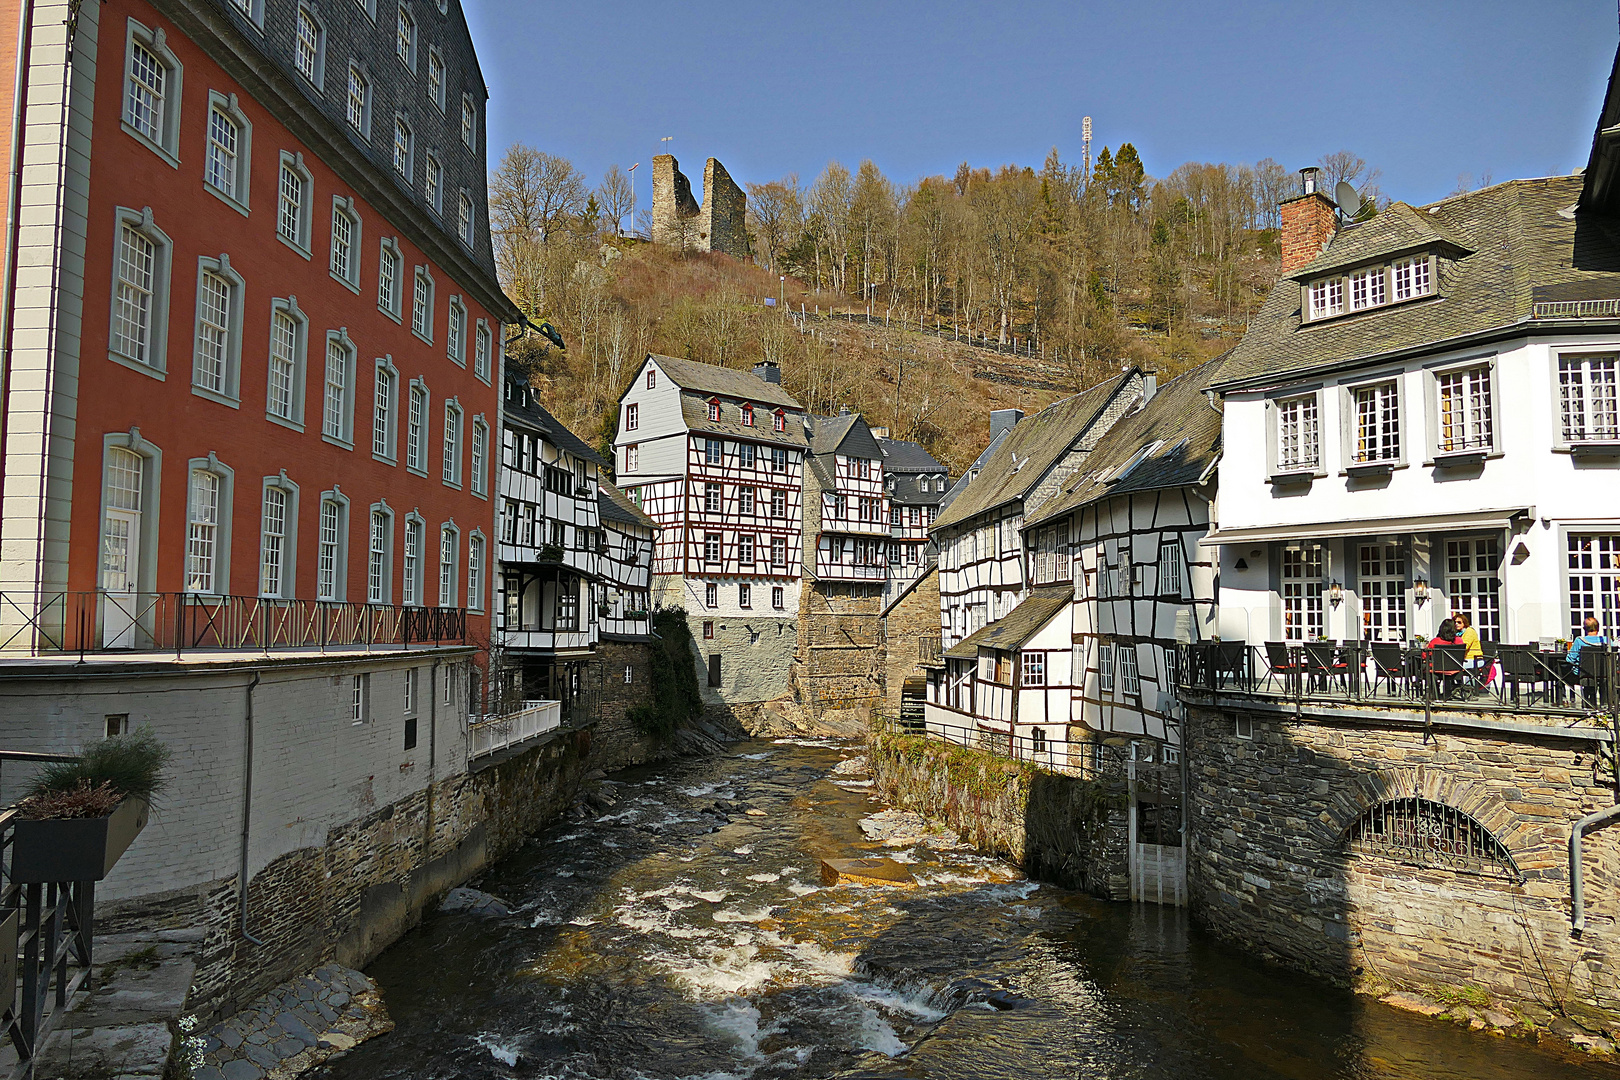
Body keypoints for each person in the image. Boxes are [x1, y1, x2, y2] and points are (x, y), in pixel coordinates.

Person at [1567, 617, 1609, 685]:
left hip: (1584, 674)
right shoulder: (1606, 641)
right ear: (1598, 628)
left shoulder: (1579, 641)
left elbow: (1570, 659)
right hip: (1604, 673)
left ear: (1584, 628)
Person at [1426, 619, 1461, 697]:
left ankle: (1434, 694)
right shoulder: (1458, 641)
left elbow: (1425, 655)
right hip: (1455, 669)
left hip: (1438, 669)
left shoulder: (1435, 641)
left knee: (1425, 669)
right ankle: (1448, 693)